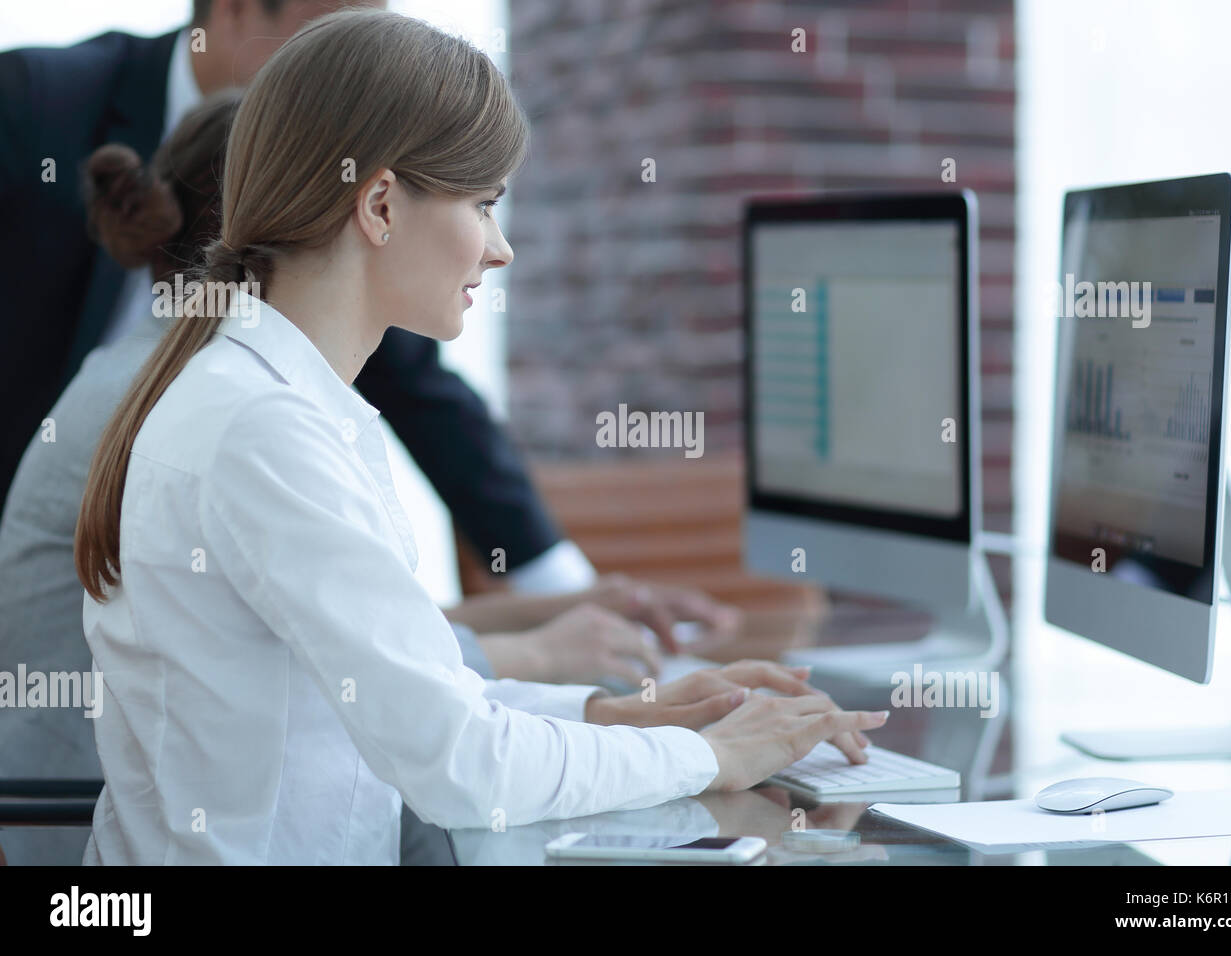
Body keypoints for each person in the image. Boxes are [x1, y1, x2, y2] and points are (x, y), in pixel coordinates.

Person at [71, 9, 886, 865]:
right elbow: (461, 768)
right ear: (380, 204)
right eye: (485, 205)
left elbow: (425, 699)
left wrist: (632, 713)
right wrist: (716, 755)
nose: (501, 250)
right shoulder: (264, 434)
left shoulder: (269, 398)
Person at [0, 0, 604, 598]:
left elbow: (421, 391)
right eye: (331, 30)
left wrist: (556, 586)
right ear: (235, 10)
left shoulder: (335, 227)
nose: (357, 74)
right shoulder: (33, 103)